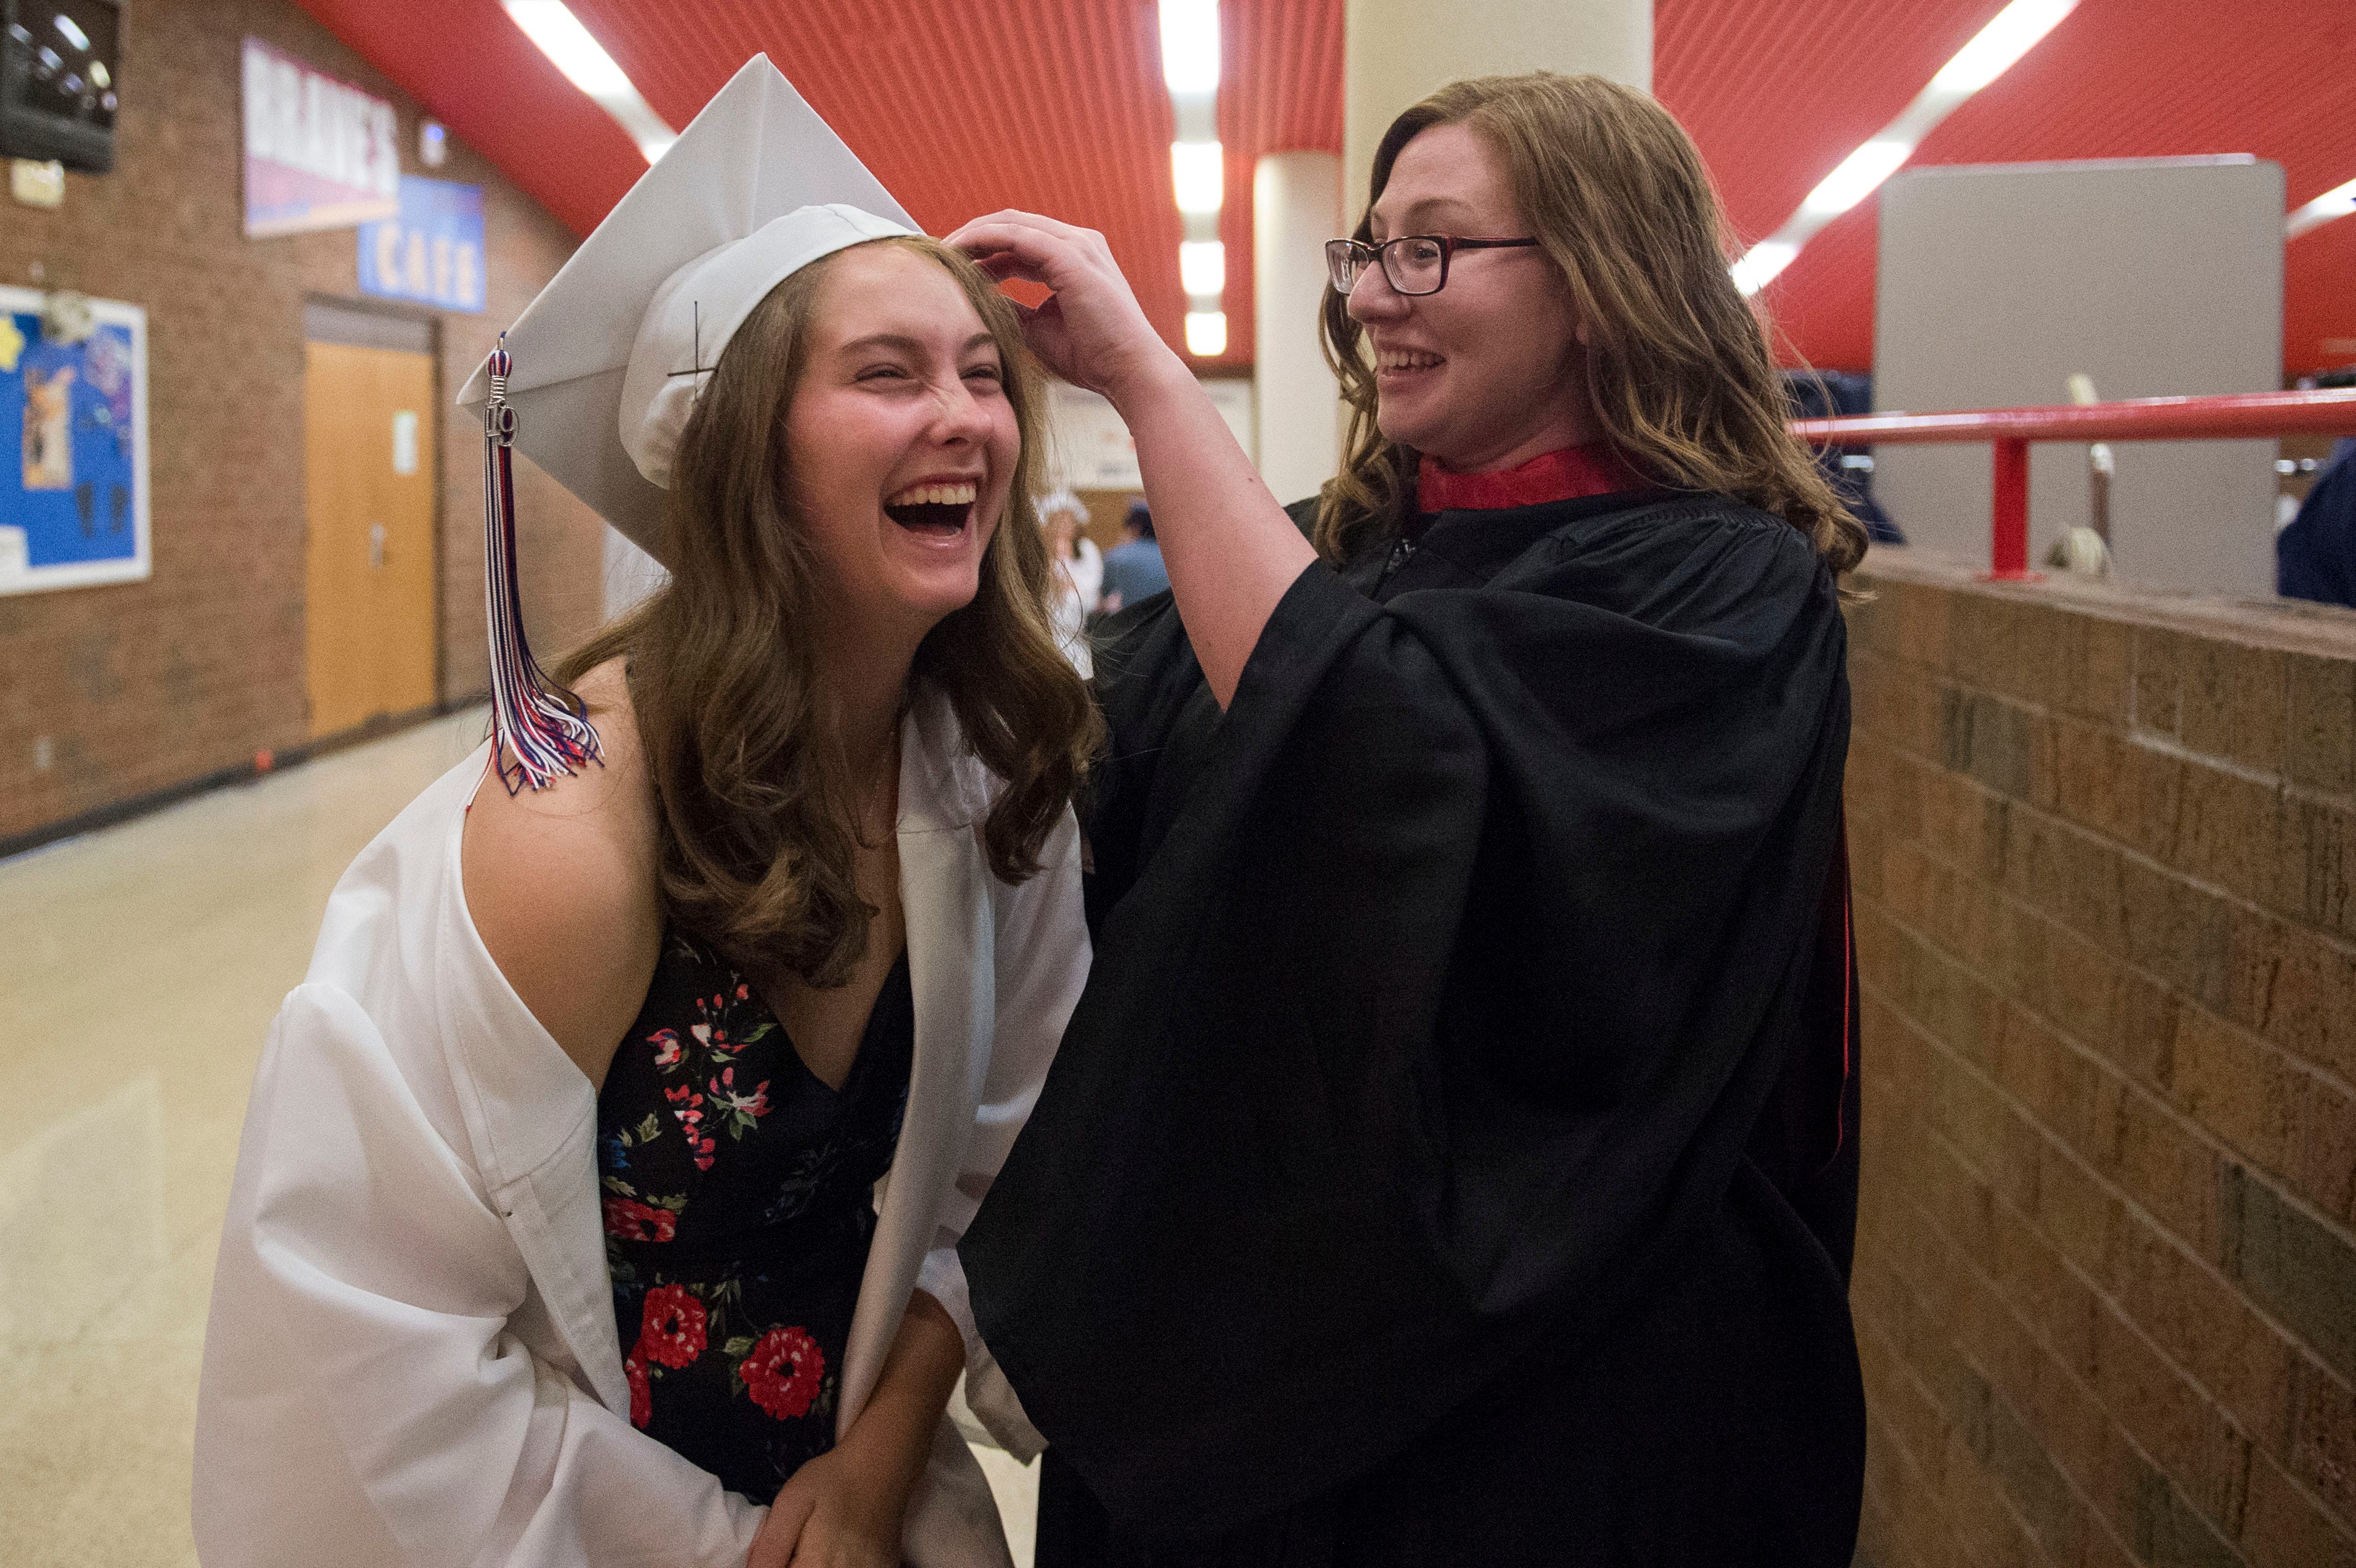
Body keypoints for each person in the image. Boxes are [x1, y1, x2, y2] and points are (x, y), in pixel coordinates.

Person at [951, 70, 1867, 1566]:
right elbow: (1080, 806)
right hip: (1235, 1370)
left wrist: (1148, 382)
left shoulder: (1717, 591)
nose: (1374, 296)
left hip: (1535, 1415)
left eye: (1428, 249)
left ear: (1596, 280)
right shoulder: (1335, 551)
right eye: (1366, 250)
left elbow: (1383, 767)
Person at [193, 59, 1094, 1568]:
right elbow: (370, 1355)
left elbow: (1008, 1172)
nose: (961, 416)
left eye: (982, 372)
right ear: (747, 458)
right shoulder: (573, 839)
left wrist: (871, 1479)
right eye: (887, 373)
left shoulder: (985, 779)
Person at [1037, 488, 1103, 674]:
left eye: (1069, 520)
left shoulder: (1087, 550)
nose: (1065, 525)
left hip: (1079, 625)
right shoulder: (1042, 553)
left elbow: (1091, 593)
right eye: (1059, 519)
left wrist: (1069, 586)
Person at [1096, 499, 1170, 612]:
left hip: (1129, 625)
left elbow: (1103, 598)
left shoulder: (1116, 557)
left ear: (1135, 528)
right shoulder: (1174, 561)